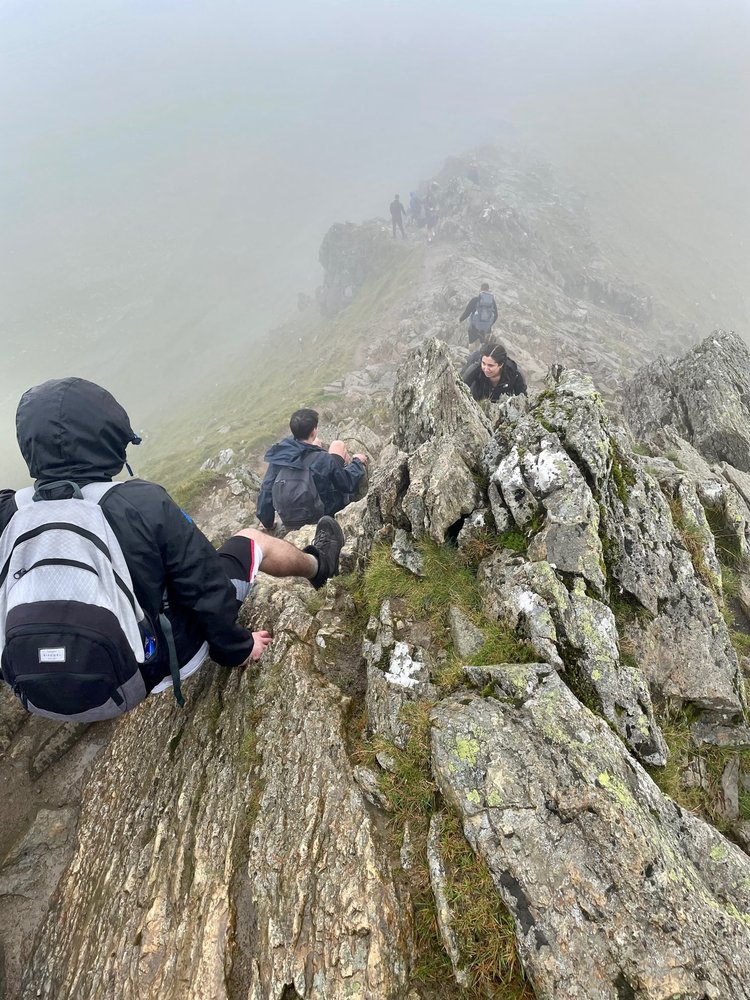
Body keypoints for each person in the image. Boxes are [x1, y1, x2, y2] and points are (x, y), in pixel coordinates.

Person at [0, 378, 345, 717]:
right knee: (251, 540)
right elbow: (206, 586)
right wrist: (237, 648)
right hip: (146, 671)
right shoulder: (140, 502)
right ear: (107, 436)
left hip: (35, 693)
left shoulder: (8, 511)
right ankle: (320, 565)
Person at [257, 408, 368, 531]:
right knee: (337, 445)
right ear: (314, 430)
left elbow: (266, 490)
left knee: (317, 444)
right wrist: (357, 462)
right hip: (323, 515)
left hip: (290, 521)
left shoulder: (279, 457)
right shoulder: (322, 459)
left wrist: (267, 522)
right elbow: (346, 484)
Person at [461, 342, 527, 401]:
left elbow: (523, 399)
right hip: (476, 401)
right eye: (483, 363)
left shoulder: (514, 373)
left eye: (490, 365)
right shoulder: (474, 369)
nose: (486, 369)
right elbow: (460, 387)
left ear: (501, 364)